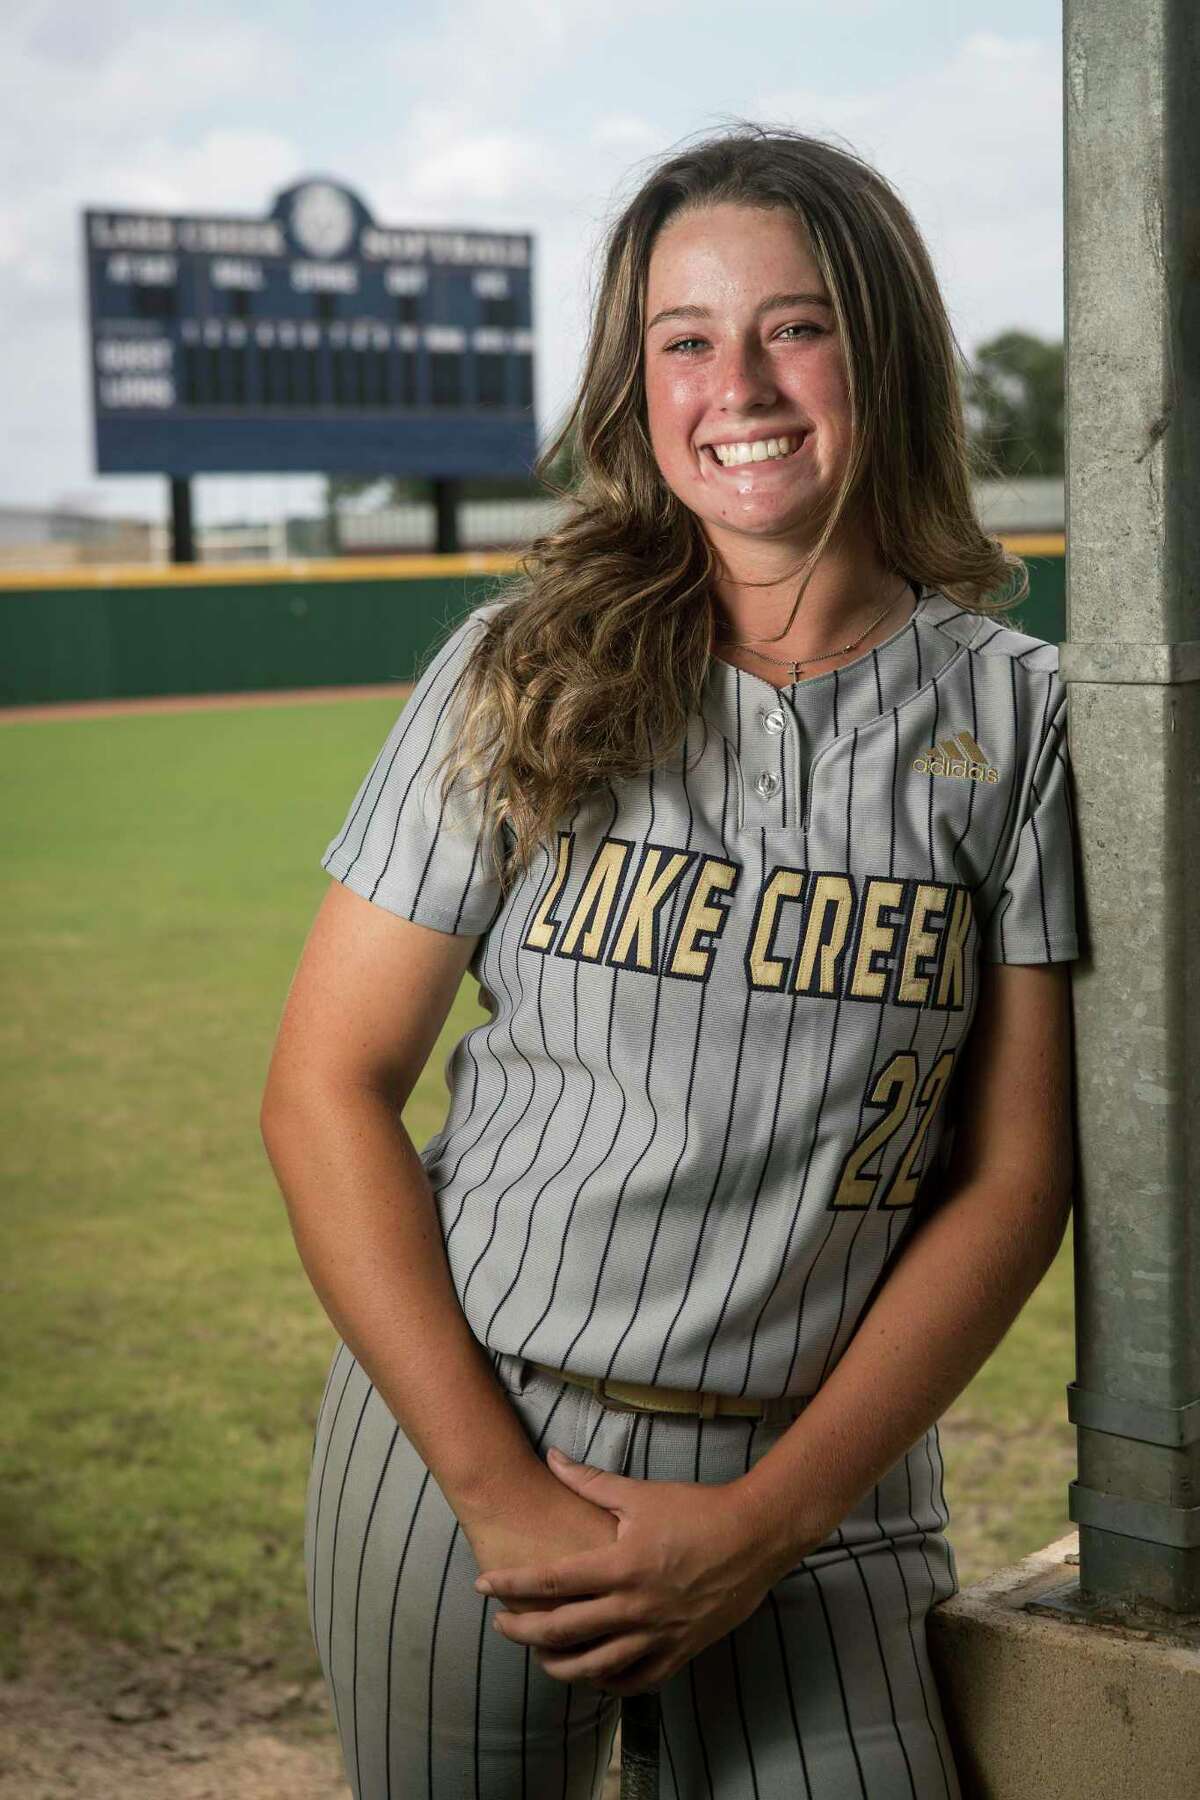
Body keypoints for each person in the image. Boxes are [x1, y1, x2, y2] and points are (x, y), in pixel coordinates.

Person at [260, 122, 1079, 1799]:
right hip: (471, 1439)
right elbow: (323, 1092)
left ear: (887, 354)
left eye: (795, 326)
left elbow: (1014, 1173)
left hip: (827, 1492)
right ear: (638, 393)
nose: (740, 384)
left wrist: (766, 1528)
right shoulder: (524, 665)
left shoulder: (1022, 713)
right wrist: (498, 1494)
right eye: (682, 341)